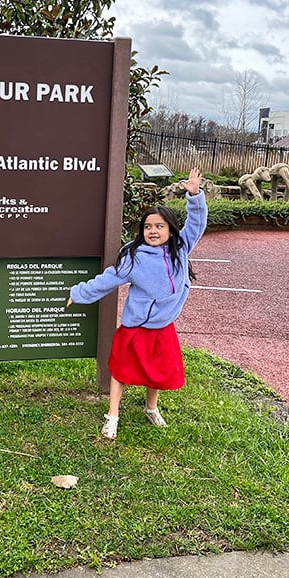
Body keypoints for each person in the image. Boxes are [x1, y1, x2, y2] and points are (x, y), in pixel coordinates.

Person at [67, 166, 207, 439]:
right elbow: (107, 280)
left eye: (159, 226)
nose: (153, 231)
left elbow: (197, 224)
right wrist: (79, 293)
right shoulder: (134, 258)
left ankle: (151, 408)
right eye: (147, 227)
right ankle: (112, 415)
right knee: (121, 370)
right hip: (136, 327)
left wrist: (195, 196)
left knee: (155, 371)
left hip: (162, 326)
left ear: (170, 229)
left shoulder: (180, 249)